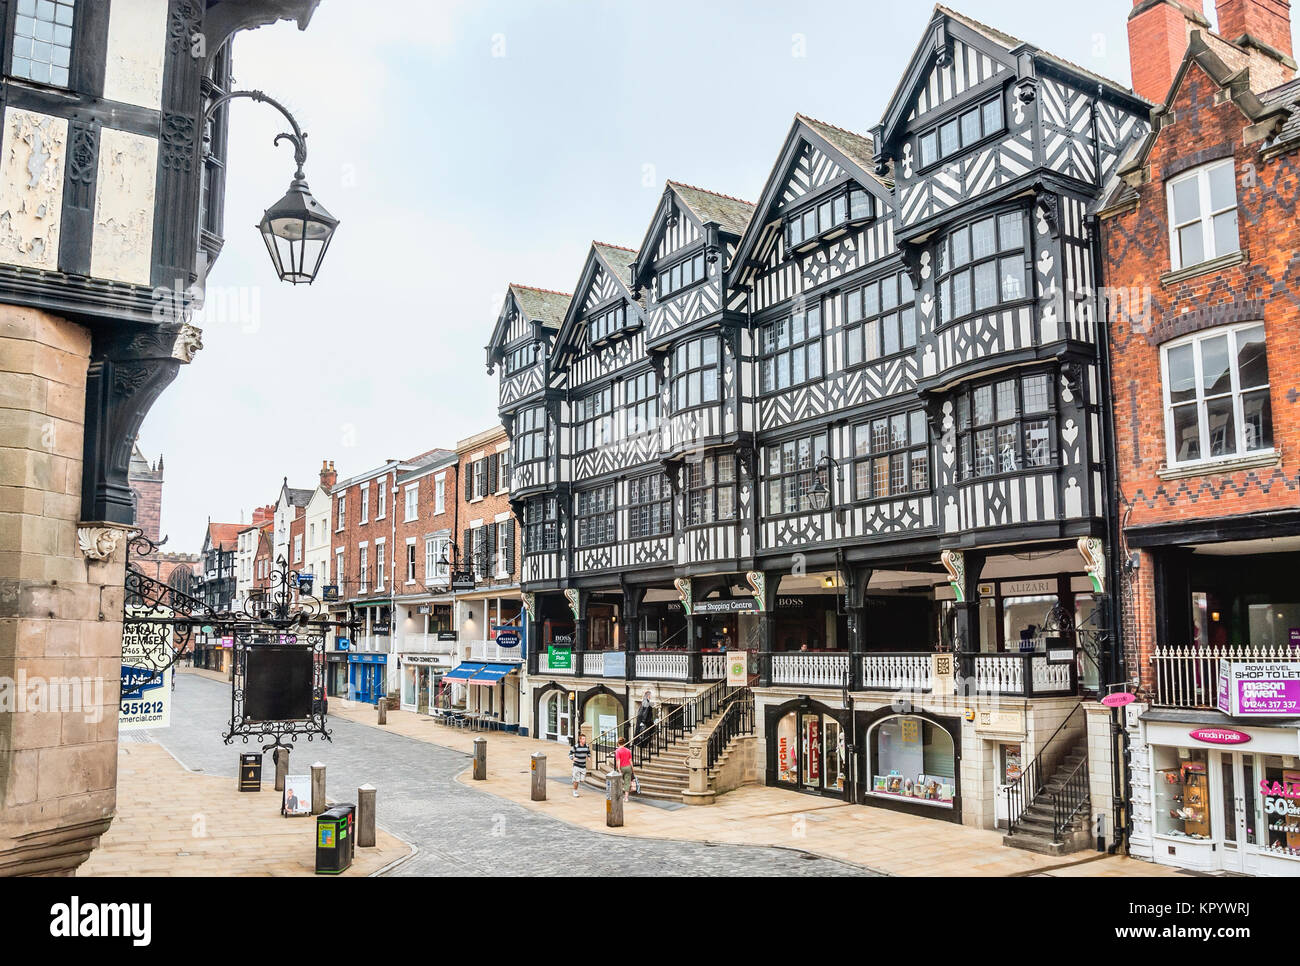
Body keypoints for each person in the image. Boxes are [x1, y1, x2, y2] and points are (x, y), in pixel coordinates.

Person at [569, 733, 590, 798]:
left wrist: (589, 757)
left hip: (583, 766)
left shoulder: (587, 746)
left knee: (582, 780)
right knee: (577, 780)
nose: (584, 740)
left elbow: (588, 752)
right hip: (577, 765)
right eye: (583, 739)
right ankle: (575, 791)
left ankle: (574, 779)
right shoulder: (576, 746)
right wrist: (573, 758)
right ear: (580, 740)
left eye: (585, 739)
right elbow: (570, 753)